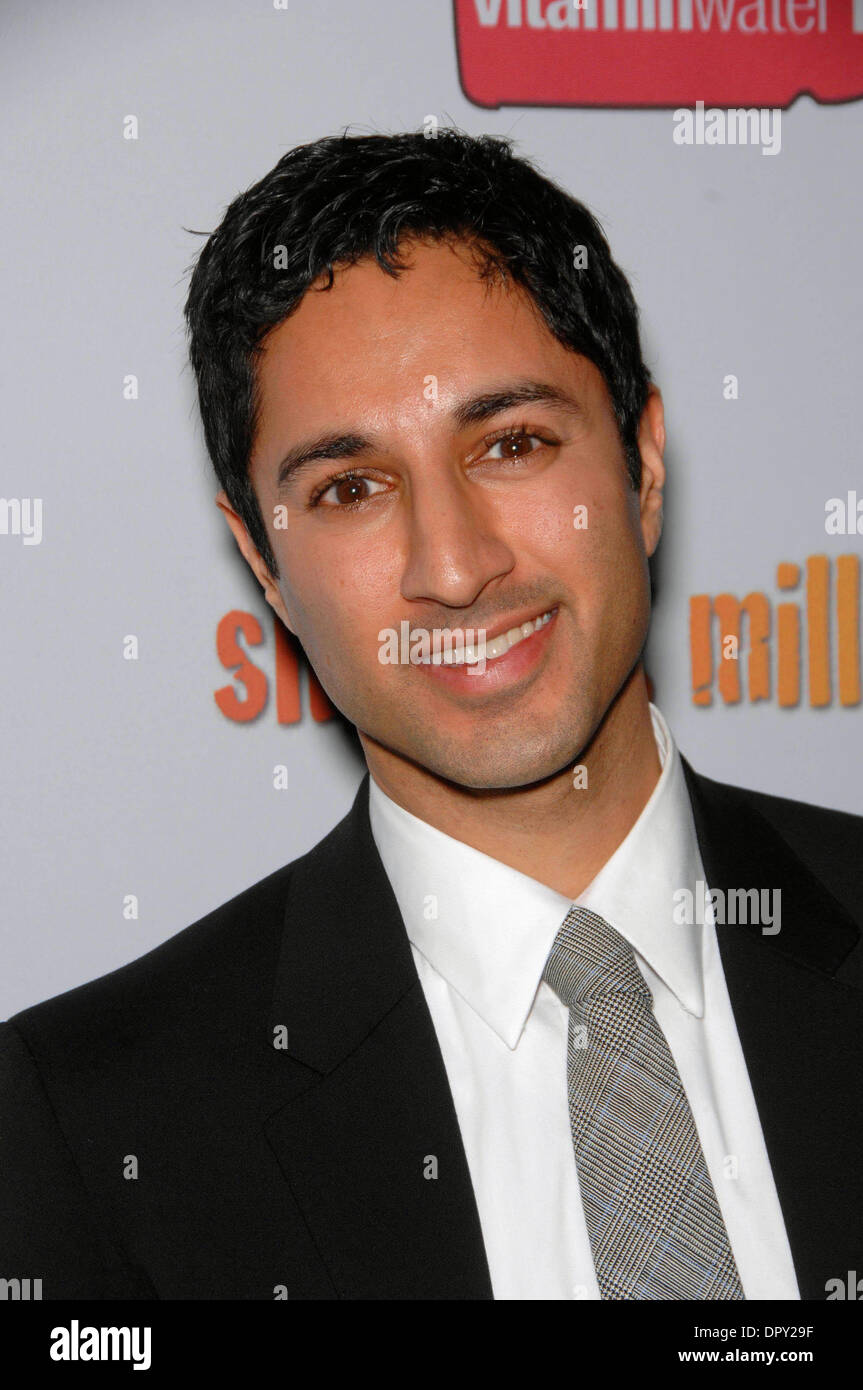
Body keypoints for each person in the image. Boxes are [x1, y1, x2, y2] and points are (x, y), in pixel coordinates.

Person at [2, 130, 861, 1301]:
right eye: (349, 488)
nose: (452, 568)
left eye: (510, 443)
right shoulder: (91, 1125)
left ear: (643, 464)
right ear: (262, 559)